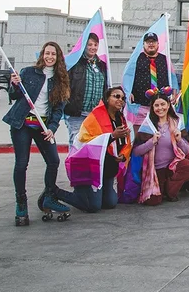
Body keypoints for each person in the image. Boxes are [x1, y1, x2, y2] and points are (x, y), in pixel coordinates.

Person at [4, 41, 70, 226]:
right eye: (47, 53)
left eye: (53, 54)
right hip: (22, 123)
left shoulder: (61, 80)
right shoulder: (28, 72)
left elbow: (58, 109)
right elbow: (15, 96)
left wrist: (53, 128)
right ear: (42, 55)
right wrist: (15, 85)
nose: (49, 57)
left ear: (58, 58)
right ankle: (21, 203)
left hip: (43, 124)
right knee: (21, 163)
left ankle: (49, 196)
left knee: (53, 161)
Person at [53, 85, 132, 213]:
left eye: (123, 98)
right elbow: (85, 141)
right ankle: (54, 192)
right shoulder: (94, 117)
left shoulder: (120, 119)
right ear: (107, 99)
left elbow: (126, 142)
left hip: (108, 169)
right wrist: (111, 136)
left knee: (111, 202)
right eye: (116, 96)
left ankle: (92, 195)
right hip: (90, 168)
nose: (120, 100)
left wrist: (123, 155)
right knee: (93, 206)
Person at [131, 94, 189, 204]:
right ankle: (162, 188)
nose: (160, 108)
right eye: (156, 105)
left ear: (169, 105)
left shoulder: (177, 123)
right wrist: (151, 142)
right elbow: (136, 152)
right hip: (155, 171)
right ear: (152, 108)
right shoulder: (147, 125)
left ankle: (170, 189)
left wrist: (179, 139)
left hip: (172, 167)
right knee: (152, 201)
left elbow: (186, 150)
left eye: (163, 104)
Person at [63, 32, 109, 147]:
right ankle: (74, 165)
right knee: (76, 142)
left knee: (92, 143)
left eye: (95, 44)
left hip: (95, 113)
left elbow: (105, 87)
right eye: (90, 44)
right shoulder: (75, 63)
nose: (93, 47)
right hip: (77, 112)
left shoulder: (101, 65)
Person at [131, 32, 170, 106]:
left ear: (158, 44)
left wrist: (173, 91)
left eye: (153, 41)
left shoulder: (165, 59)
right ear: (143, 44)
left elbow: (172, 77)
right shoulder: (136, 59)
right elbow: (128, 76)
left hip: (161, 103)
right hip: (140, 102)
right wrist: (129, 91)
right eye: (148, 42)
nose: (151, 44)